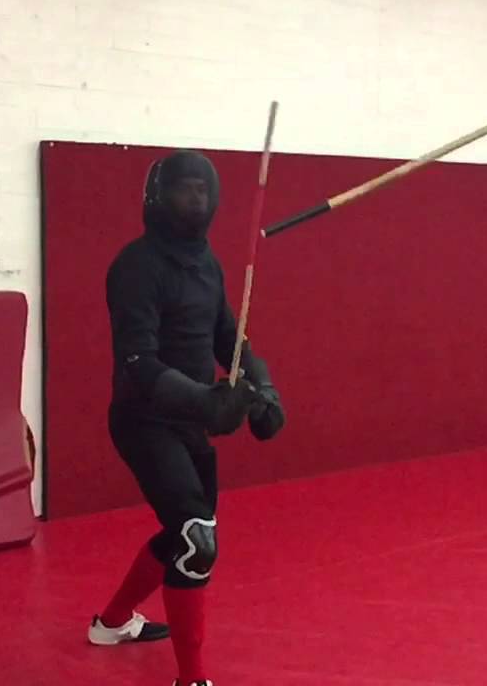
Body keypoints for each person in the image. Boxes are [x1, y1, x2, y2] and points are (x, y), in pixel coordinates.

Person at [91, 149, 287, 686]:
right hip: (143, 421)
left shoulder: (207, 264)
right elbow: (138, 363)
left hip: (188, 423)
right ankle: (192, 679)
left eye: (203, 189)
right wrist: (206, 402)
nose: (196, 199)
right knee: (196, 538)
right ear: (158, 196)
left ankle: (112, 623)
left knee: (188, 536)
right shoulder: (135, 267)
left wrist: (264, 391)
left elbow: (228, 337)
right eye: (185, 189)